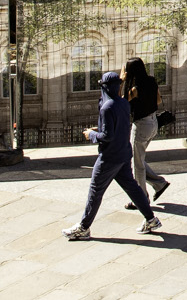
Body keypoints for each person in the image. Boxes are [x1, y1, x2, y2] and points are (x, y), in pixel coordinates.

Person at [65, 70, 162, 240]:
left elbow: (107, 136)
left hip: (109, 157)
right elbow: (119, 127)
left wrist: (92, 135)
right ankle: (151, 219)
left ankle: (83, 228)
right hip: (124, 154)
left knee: (96, 190)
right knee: (133, 188)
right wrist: (100, 130)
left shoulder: (107, 107)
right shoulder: (123, 103)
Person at [122, 56, 171, 204]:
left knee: (137, 164)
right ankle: (159, 184)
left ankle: (141, 199)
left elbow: (121, 101)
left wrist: (122, 80)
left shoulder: (135, 89)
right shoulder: (151, 81)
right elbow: (158, 101)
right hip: (153, 123)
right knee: (138, 159)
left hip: (141, 126)